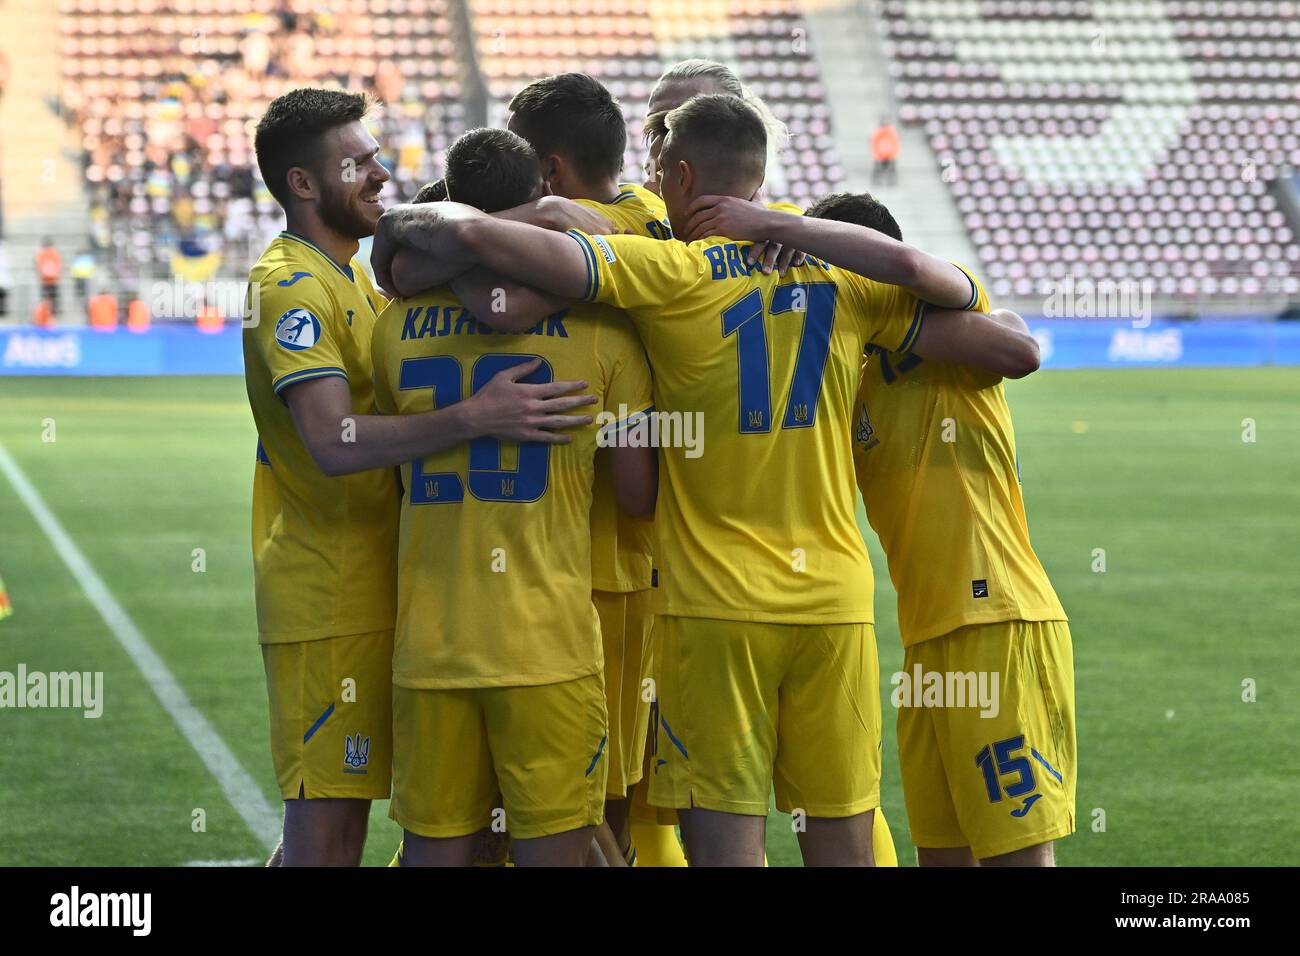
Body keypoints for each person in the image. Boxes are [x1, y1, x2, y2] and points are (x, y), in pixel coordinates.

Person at [370, 93, 1038, 865]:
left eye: (661, 171)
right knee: (844, 841)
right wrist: (793, 231)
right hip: (833, 604)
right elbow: (984, 325)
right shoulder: (842, 278)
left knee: (723, 848)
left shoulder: (670, 274)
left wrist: (524, 218)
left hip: (711, 607)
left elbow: (496, 276)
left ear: (683, 177)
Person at [245, 88, 596, 867]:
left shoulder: (357, 283)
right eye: (358, 162)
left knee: (406, 828)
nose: (379, 173)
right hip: (328, 597)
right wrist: (475, 417)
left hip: (392, 592)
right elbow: (332, 440)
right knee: (327, 834)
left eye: (375, 158)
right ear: (303, 184)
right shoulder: (292, 286)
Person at [373, 126, 658, 867]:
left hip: (430, 646)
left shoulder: (394, 326)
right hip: (547, 644)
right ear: (542, 198)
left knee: (434, 851)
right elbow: (636, 494)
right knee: (561, 847)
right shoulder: (605, 331)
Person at [807, 192, 1075, 866]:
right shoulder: (852, 376)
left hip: (997, 620)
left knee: (1016, 855)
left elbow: (1021, 348)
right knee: (943, 854)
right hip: (925, 639)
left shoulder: (951, 339)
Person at [35, 238, 62, 319]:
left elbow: (38, 264)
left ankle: (45, 312)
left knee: (44, 297)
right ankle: (53, 311)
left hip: (44, 279)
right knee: (53, 296)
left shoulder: (41, 253)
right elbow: (59, 264)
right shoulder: (55, 253)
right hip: (53, 279)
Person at [871, 117, 900, 186]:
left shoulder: (892, 132)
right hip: (880, 155)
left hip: (889, 155)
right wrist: (876, 155)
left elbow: (895, 144)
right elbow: (874, 143)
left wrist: (893, 155)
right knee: (877, 170)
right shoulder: (877, 132)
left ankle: (891, 182)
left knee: (892, 170)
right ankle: (876, 182)